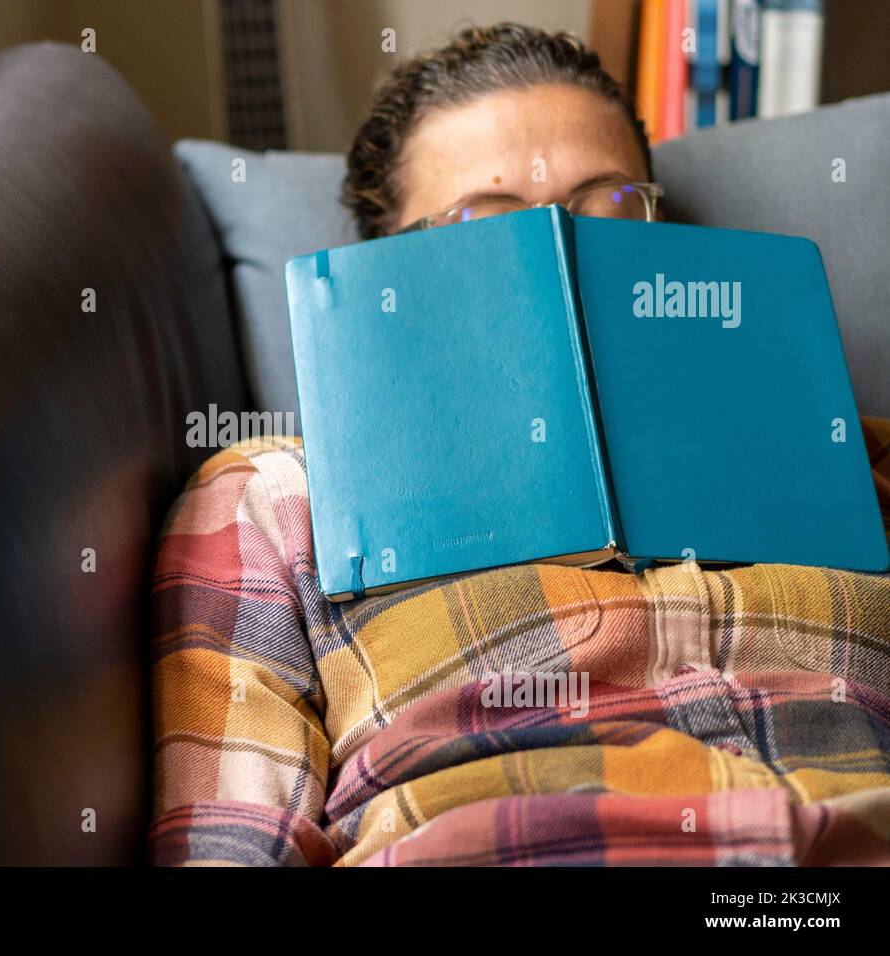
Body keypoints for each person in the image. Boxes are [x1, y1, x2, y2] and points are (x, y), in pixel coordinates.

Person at [148, 23, 890, 866]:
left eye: (607, 203)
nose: (562, 256)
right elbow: (231, 842)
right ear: (384, 282)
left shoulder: (845, 452)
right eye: (487, 225)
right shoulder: (278, 496)